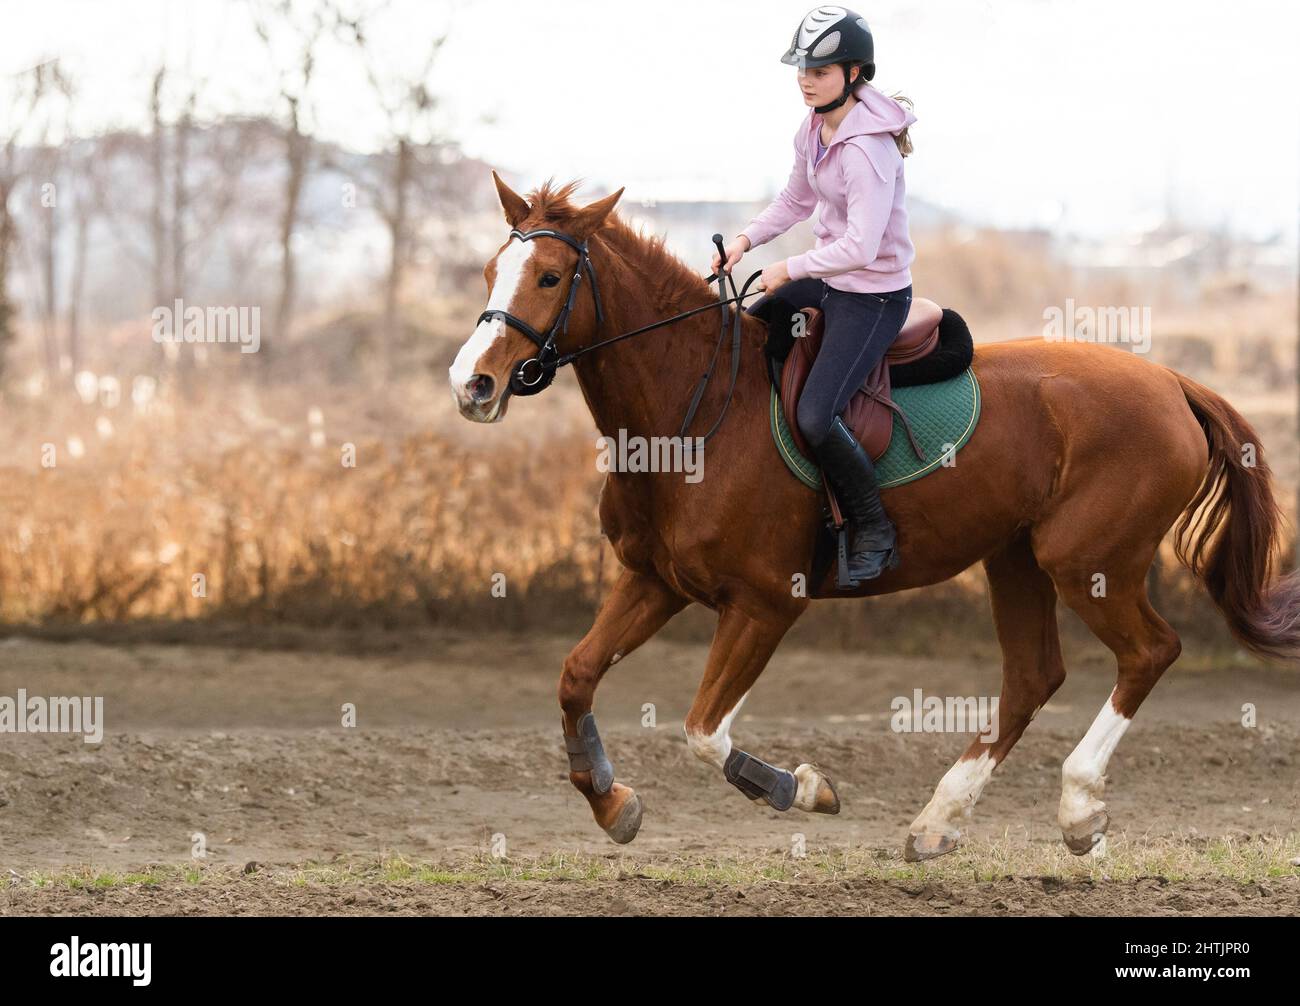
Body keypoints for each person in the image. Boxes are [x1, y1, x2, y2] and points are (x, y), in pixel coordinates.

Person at [713, 5, 917, 584]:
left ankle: (874, 529)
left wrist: (789, 267)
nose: (806, 78)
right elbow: (796, 201)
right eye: (802, 67)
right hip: (830, 282)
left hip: (872, 297)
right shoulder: (812, 128)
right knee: (748, 330)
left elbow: (860, 246)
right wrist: (747, 241)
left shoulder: (867, 149)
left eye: (820, 70)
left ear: (854, 74)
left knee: (816, 415)